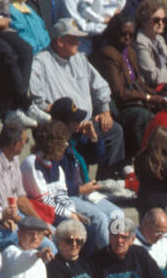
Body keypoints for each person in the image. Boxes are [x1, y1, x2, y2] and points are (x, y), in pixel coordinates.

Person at [29, 19, 124, 175]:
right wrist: (59, 115)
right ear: (60, 41)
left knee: (114, 130)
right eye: (74, 39)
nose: (79, 43)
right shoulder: (40, 61)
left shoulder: (79, 58)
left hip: (85, 120)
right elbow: (36, 99)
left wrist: (104, 109)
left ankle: (108, 178)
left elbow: (100, 85)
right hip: (63, 124)